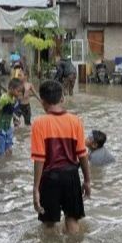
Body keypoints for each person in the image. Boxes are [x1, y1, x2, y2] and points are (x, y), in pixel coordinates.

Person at [31, 80, 91, 234]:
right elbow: (82, 154)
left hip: (49, 178)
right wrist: (87, 181)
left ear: (42, 101)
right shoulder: (75, 121)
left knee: (49, 224)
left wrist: (36, 188)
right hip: (71, 177)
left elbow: (39, 159)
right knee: (72, 220)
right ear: (62, 98)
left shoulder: (39, 123)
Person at [0, 78, 23, 157]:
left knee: (9, 151)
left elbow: (7, 112)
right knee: (0, 152)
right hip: (0, 129)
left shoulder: (12, 99)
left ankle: (6, 166)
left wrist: (15, 118)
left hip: (8, 128)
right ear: (11, 88)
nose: (19, 93)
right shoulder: (4, 99)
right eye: (18, 91)